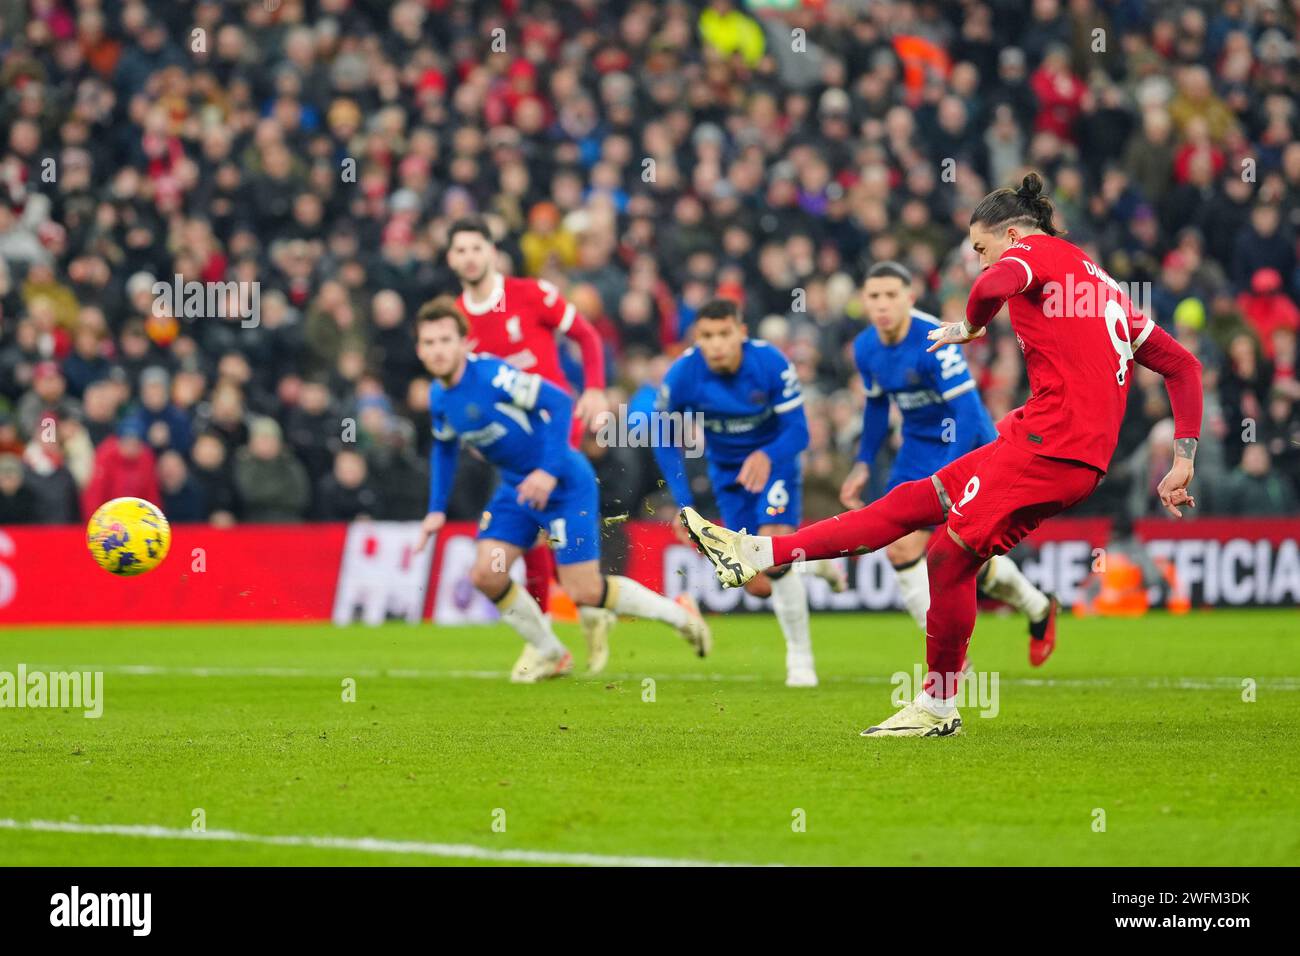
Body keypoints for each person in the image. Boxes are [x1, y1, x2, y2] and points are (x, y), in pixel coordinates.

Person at [682, 173, 1203, 737]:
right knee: (910, 503)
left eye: (980, 247)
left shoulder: (1033, 253)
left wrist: (970, 326)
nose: (980, 261)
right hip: (1043, 442)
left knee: (945, 560)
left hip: (1052, 449)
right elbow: (1183, 366)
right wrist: (1184, 456)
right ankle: (757, 550)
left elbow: (995, 284)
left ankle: (937, 706)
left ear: (1008, 232)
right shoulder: (1097, 283)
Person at [412, 296, 710, 683]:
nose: (437, 350)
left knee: (584, 591)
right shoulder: (439, 395)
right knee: (486, 573)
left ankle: (680, 614)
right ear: (419, 348)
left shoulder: (492, 377)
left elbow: (558, 399)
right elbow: (445, 448)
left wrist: (548, 473)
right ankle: (550, 651)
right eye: (429, 342)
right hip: (518, 488)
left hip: (564, 481)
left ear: (464, 343)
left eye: (445, 340)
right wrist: (436, 508)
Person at [840, 262, 1058, 665]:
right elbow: (875, 406)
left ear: (910, 298)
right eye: (874, 296)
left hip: (967, 444)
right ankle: (957, 662)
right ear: (864, 301)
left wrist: (946, 474)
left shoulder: (931, 338)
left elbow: (967, 413)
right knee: (902, 549)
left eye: (892, 295)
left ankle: (1037, 608)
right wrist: (863, 462)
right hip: (915, 451)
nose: (883, 305)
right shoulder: (866, 348)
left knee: (963, 554)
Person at [445, 216, 617, 665]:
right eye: (459, 250)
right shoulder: (457, 323)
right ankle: (576, 618)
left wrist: (595, 388)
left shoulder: (530, 294)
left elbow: (585, 334)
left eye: (476, 248)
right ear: (451, 259)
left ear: (492, 252)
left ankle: (555, 631)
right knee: (532, 533)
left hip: (557, 426)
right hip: (508, 441)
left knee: (539, 525)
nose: (469, 257)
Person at [653, 297, 844, 687]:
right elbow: (663, 437)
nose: (717, 343)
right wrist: (683, 503)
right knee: (755, 583)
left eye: (724, 334)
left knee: (774, 557)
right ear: (697, 339)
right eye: (707, 336)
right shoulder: (684, 374)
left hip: (775, 468)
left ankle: (800, 659)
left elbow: (799, 432)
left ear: (741, 332)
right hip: (728, 476)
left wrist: (767, 454)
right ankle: (818, 562)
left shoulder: (770, 363)